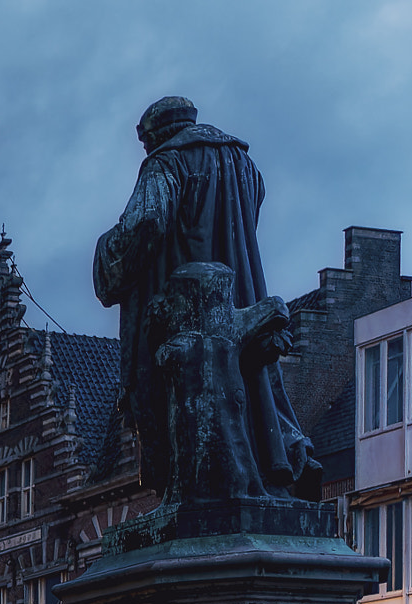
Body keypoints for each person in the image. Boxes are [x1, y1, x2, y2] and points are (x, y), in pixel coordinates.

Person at [93, 96, 316, 502]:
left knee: (188, 398)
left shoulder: (167, 163)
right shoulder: (245, 166)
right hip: (240, 292)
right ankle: (272, 466)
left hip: (187, 306)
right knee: (250, 388)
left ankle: (198, 495)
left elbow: (145, 221)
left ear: (154, 135)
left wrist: (105, 254)